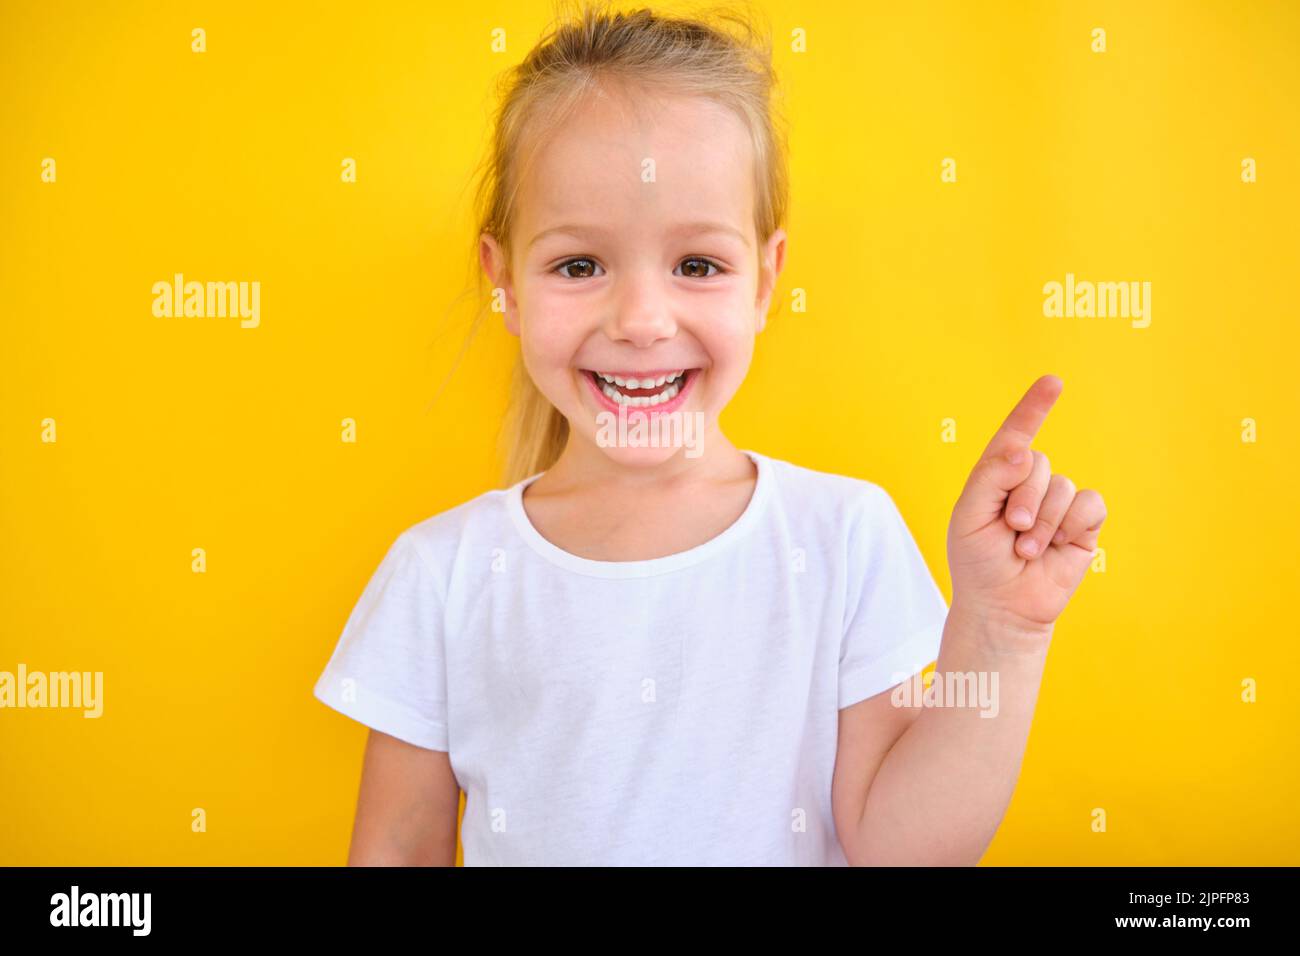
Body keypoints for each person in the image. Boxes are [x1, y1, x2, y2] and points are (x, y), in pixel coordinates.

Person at [313, 2, 1107, 866]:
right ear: (503, 281)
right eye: (579, 265)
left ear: (765, 281)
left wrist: (999, 635)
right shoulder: (443, 575)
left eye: (698, 265)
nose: (643, 320)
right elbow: (396, 849)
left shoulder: (843, 538)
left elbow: (905, 851)